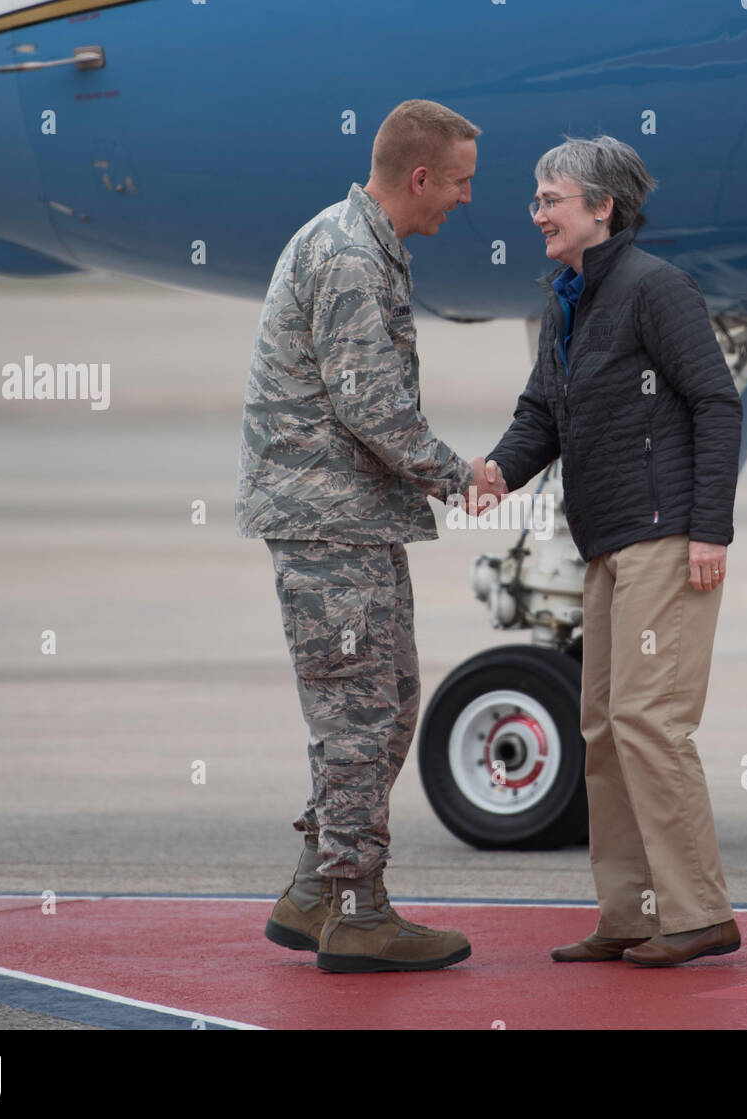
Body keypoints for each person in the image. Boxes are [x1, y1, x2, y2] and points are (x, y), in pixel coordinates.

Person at [235, 99, 506, 972]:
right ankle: (357, 911)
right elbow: (370, 405)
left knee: (388, 704)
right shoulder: (350, 257)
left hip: (353, 519)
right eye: (461, 182)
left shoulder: (360, 243)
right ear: (420, 177)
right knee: (358, 717)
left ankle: (318, 884)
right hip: (328, 524)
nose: (467, 200)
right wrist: (458, 474)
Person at [484, 135, 744, 966]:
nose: (538, 214)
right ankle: (630, 912)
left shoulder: (654, 288)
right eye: (536, 199)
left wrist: (710, 528)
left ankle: (699, 909)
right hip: (604, 542)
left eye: (551, 198)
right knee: (601, 727)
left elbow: (716, 401)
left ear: (603, 208)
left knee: (648, 719)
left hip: (664, 536)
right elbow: (539, 416)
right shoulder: (567, 296)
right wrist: (493, 472)